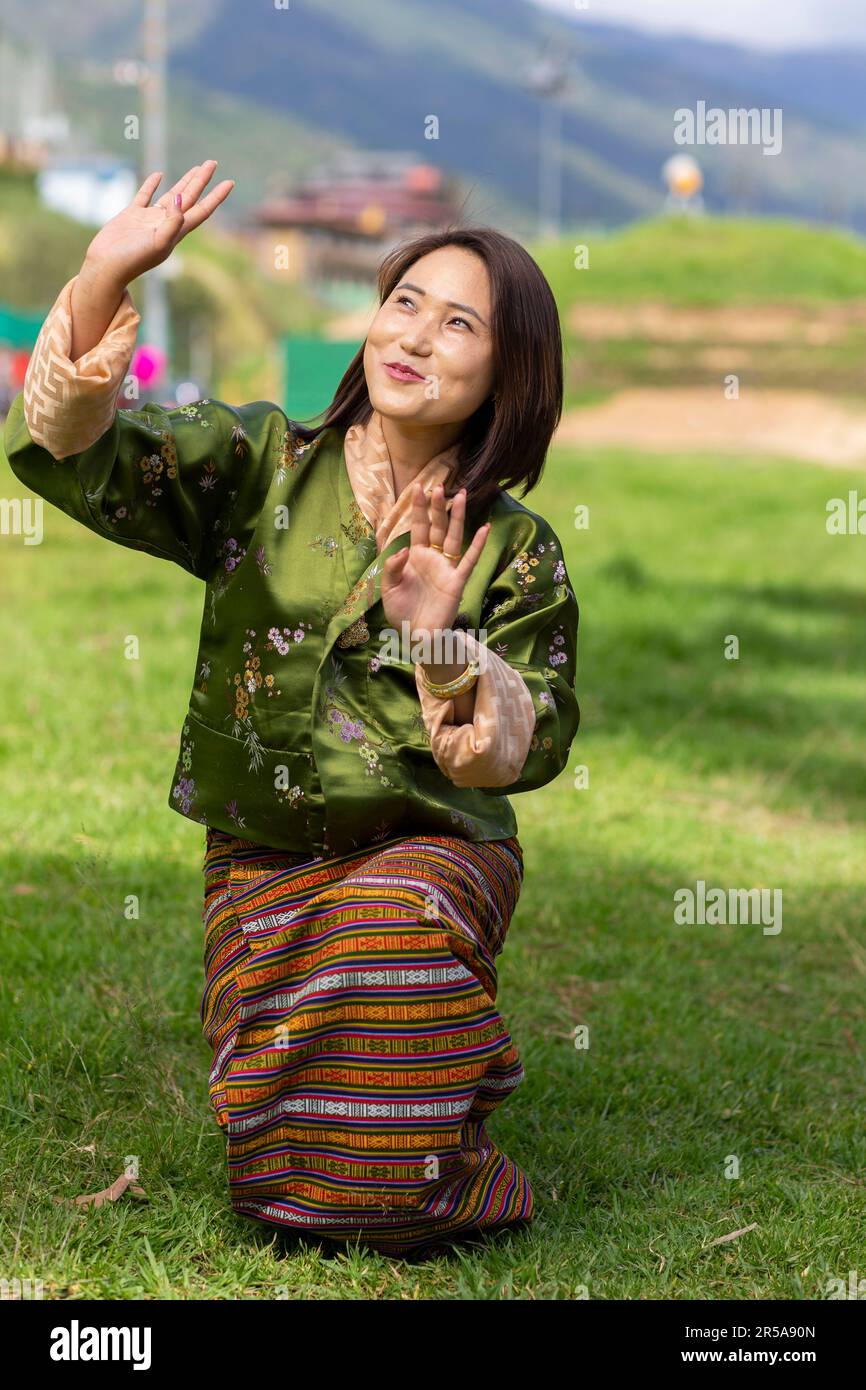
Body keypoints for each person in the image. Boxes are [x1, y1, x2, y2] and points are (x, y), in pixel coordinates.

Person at [3, 160, 580, 1257]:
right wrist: (100, 270)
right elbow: (79, 449)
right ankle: (338, 1155)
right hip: (262, 855)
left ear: (509, 371)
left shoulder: (513, 548)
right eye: (402, 303)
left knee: (389, 933)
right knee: (280, 1168)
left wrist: (440, 641)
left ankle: (438, 1172)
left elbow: (535, 734)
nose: (413, 335)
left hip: (429, 853)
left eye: (457, 323)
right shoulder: (259, 464)